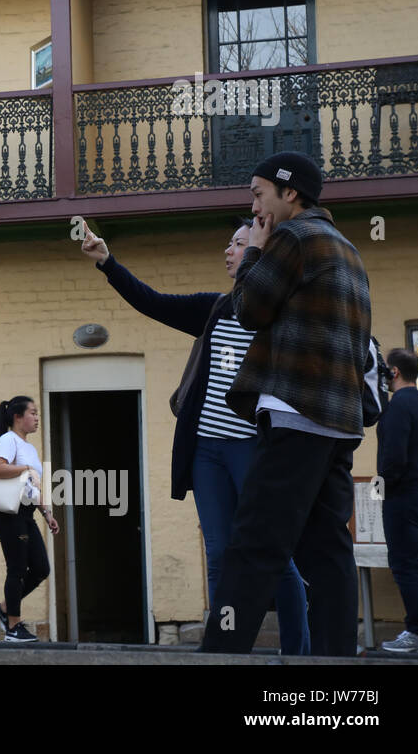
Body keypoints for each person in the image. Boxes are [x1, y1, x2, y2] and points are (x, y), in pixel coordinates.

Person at [81, 221, 310, 655]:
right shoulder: (214, 309)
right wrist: (107, 263)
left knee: (271, 552)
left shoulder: (278, 315)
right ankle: (222, 652)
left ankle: (298, 652)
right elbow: (153, 302)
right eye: (229, 243)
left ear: (261, 253)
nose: (228, 250)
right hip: (207, 449)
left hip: (252, 449)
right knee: (220, 553)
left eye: (239, 244)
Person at [203, 152, 371, 657]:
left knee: (254, 543)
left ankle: (221, 652)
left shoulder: (293, 239)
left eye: (258, 194)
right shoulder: (347, 248)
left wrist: (255, 250)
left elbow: (249, 308)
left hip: (296, 413)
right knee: (327, 549)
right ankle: (334, 658)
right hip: (338, 422)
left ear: (289, 193)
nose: (253, 206)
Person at [0, 397, 59, 643]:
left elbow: (32, 486)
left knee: (40, 568)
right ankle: (13, 627)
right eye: (33, 413)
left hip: (25, 513)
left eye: (37, 414)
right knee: (16, 569)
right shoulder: (8, 440)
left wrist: (47, 513)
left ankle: (3, 608)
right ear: (18, 417)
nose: (37, 418)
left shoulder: (29, 448)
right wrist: (25, 468)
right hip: (8, 513)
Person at [376, 348, 418, 654]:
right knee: (413, 562)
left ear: (393, 372)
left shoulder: (398, 408)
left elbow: (393, 460)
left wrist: (379, 491)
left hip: (405, 496)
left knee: (403, 565)